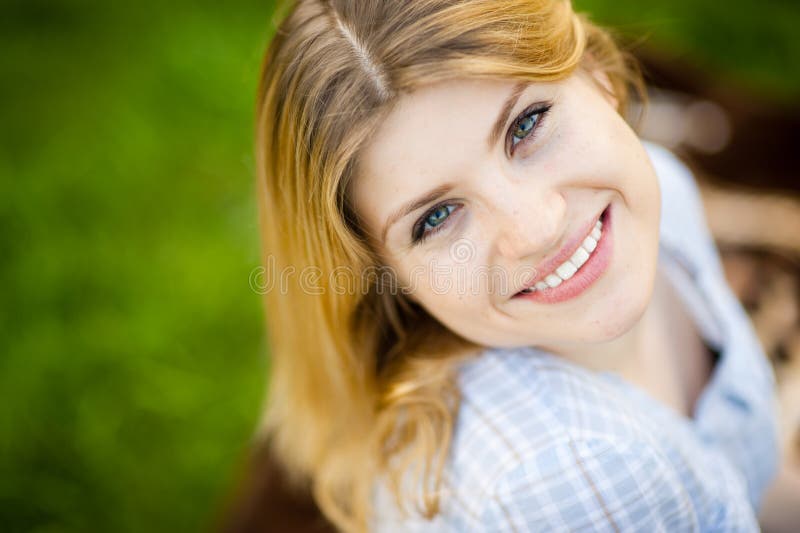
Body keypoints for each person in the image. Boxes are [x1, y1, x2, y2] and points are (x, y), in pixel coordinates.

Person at [248, 0, 793, 531]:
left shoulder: (659, 192)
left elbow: (739, 484)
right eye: (437, 217)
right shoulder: (577, 473)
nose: (536, 228)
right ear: (386, 276)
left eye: (526, 125)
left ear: (596, 72)